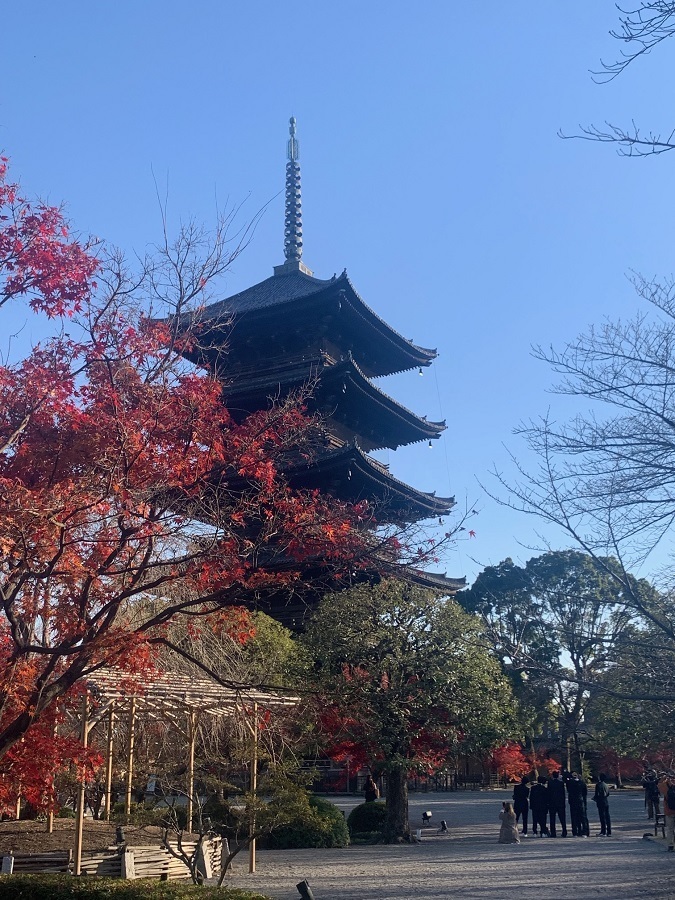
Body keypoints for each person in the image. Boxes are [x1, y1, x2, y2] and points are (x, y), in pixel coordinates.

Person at [566, 772, 589, 836]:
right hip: (581, 801)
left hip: (573, 801)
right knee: (583, 817)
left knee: (574, 817)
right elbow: (585, 793)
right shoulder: (582, 783)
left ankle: (575, 832)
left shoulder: (570, 783)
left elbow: (568, 789)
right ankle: (584, 831)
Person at [658, 772, 675, 851]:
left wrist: (664, 778)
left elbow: (659, 784)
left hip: (669, 811)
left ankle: (670, 845)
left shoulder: (666, 787)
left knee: (670, 829)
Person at [548, 771, 567, 837]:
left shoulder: (550, 783)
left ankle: (553, 833)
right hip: (560, 803)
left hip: (552, 803)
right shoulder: (561, 783)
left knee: (552, 818)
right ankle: (564, 831)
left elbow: (549, 794)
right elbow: (563, 794)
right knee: (562, 818)